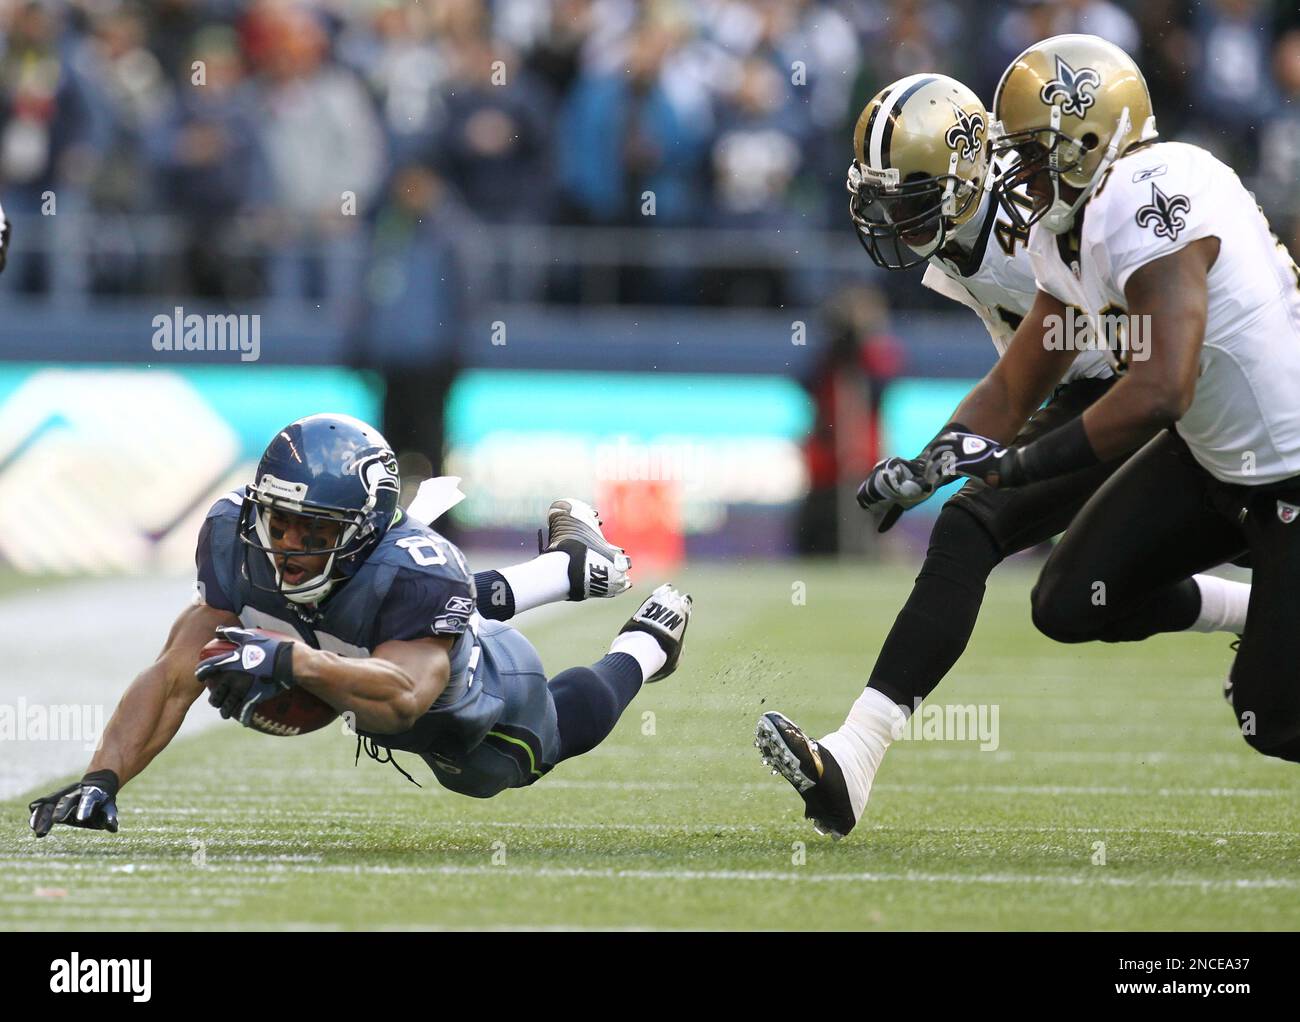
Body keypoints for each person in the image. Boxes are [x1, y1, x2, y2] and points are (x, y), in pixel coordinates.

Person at [756, 64, 1252, 839]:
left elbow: (1087, 361)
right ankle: (1257, 608)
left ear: (962, 179)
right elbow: (1022, 374)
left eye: (909, 199)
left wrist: (989, 458)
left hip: (1154, 384)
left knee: (989, 532)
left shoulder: (1036, 223)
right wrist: (930, 463)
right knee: (1074, 592)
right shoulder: (971, 230)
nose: (893, 219)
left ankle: (856, 755)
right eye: (881, 200)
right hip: (1102, 384)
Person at [29, 413, 692, 836]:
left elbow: (406, 695)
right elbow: (175, 675)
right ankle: (569, 567)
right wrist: (102, 780)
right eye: (277, 519)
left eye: (313, 530)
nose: (285, 544)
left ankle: (644, 647)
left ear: (364, 532)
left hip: (466, 694)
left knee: (508, 760)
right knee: (357, 611)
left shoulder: (416, 571)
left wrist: (291, 663)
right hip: (373, 635)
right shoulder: (235, 537)